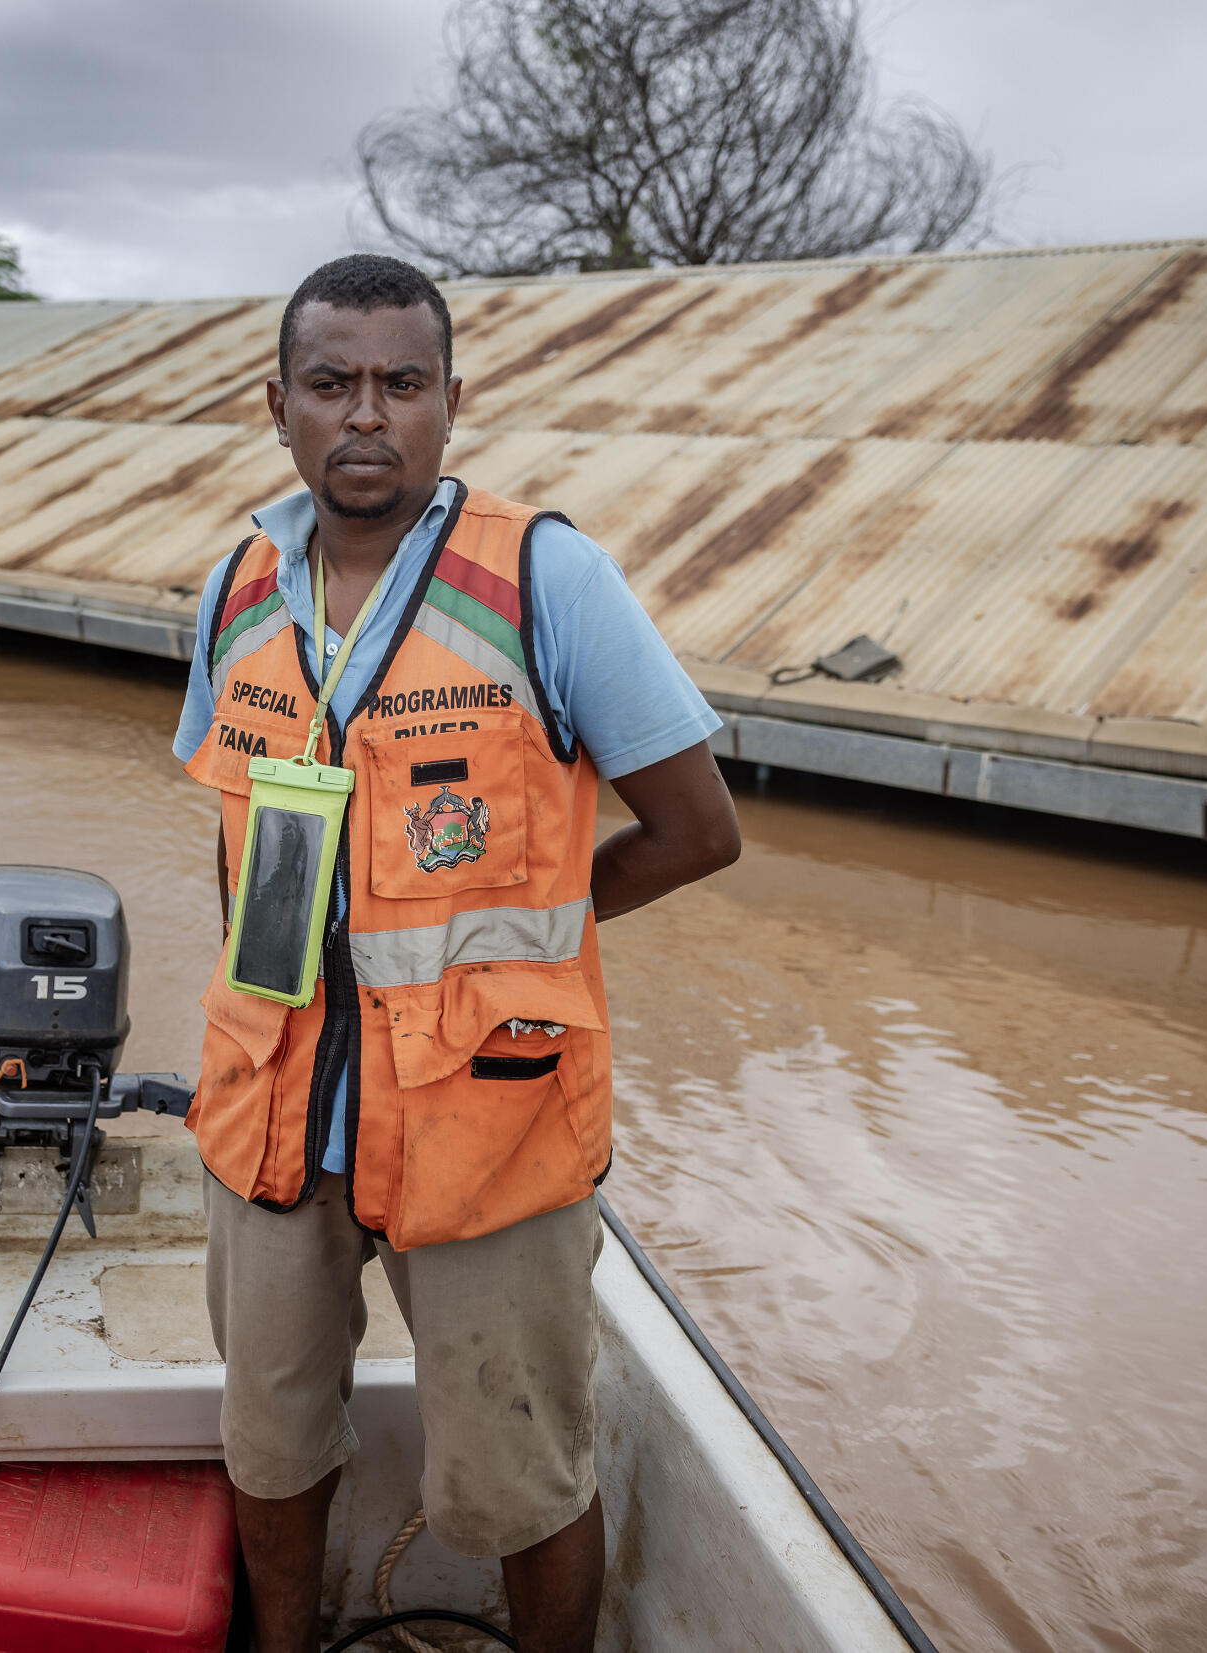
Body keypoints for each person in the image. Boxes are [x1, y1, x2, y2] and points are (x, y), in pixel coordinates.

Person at [173, 253, 743, 1653]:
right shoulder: (239, 588)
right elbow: (233, 843)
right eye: (331, 383)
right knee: (268, 1442)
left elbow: (695, 830)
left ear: (450, 403)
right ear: (277, 404)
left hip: (488, 1125)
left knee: (522, 1475)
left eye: (400, 383)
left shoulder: (547, 577)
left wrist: (522, 937)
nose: (366, 414)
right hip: (275, 1118)